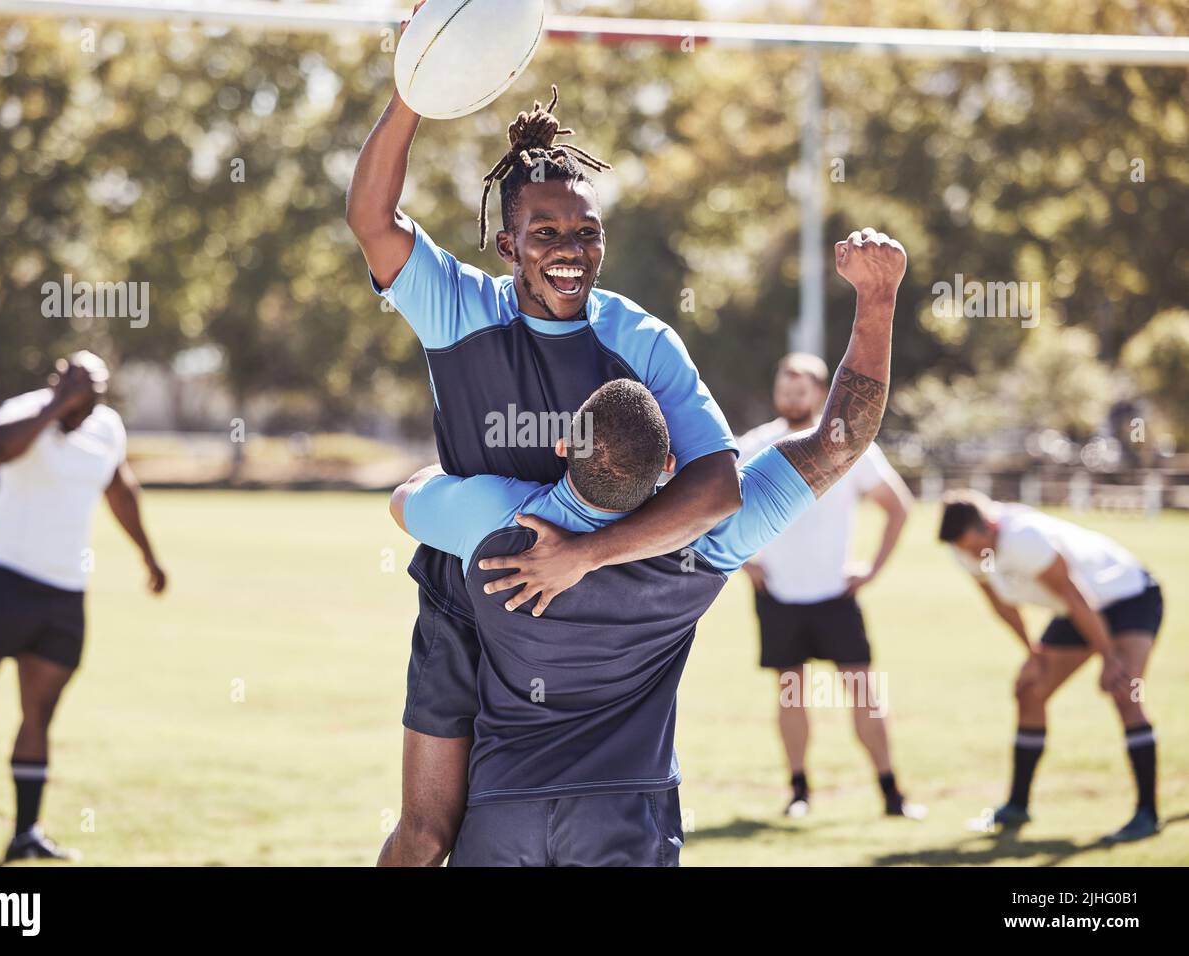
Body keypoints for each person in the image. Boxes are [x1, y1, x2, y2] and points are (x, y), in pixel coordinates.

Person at [347, 4, 742, 866]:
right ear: (507, 241)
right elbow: (373, 219)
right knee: (425, 831)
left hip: (576, 608)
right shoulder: (461, 308)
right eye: (546, 233)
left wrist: (587, 557)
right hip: (466, 589)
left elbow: (719, 489)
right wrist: (415, 84)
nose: (570, 249)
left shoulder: (636, 337)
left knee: (550, 817)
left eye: (587, 232)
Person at [390, 228, 906, 865]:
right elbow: (841, 441)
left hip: (504, 812)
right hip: (626, 816)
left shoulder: (495, 522)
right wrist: (877, 299)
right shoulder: (713, 535)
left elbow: (405, 498)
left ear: (564, 446)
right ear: (669, 462)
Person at [0, 351, 167, 862]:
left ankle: (25, 834)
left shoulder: (107, 428)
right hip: (3, 582)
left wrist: (148, 556)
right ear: (57, 381)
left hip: (63, 594)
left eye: (95, 394)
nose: (87, 405)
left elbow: (120, 488)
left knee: (39, 712)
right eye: (77, 390)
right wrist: (57, 405)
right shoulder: (24, 412)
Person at [736, 352, 921, 820]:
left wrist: (873, 570)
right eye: (785, 386)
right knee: (791, 693)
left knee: (864, 692)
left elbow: (899, 507)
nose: (792, 395)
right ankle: (798, 792)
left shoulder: (849, 445)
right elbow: (717, 507)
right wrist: (746, 564)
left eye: (802, 389)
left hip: (836, 596)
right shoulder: (754, 445)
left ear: (821, 393)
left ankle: (891, 794)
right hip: (779, 597)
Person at [938, 489, 1163, 843]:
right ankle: (1017, 805)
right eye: (963, 549)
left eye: (974, 546)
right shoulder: (964, 548)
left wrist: (1109, 658)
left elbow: (1074, 595)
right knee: (1030, 689)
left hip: (1126, 596)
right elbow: (1001, 605)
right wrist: (1032, 651)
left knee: (1125, 691)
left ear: (990, 526)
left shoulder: (1024, 537)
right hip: (1075, 610)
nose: (970, 555)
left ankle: (1147, 813)